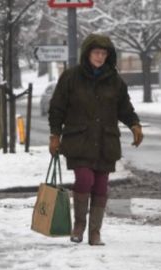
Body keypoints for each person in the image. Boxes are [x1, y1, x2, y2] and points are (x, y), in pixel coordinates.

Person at [48, 33, 144, 246]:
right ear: (88, 54)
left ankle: (95, 232)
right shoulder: (71, 77)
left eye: (104, 53)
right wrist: (55, 135)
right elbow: (57, 108)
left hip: (105, 141)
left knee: (101, 185)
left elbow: (125, 108)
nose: (100, 57)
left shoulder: (115, 81)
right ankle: (79, 225)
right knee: (85, 179)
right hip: (79, 141)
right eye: (96, 52)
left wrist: (135, 124)